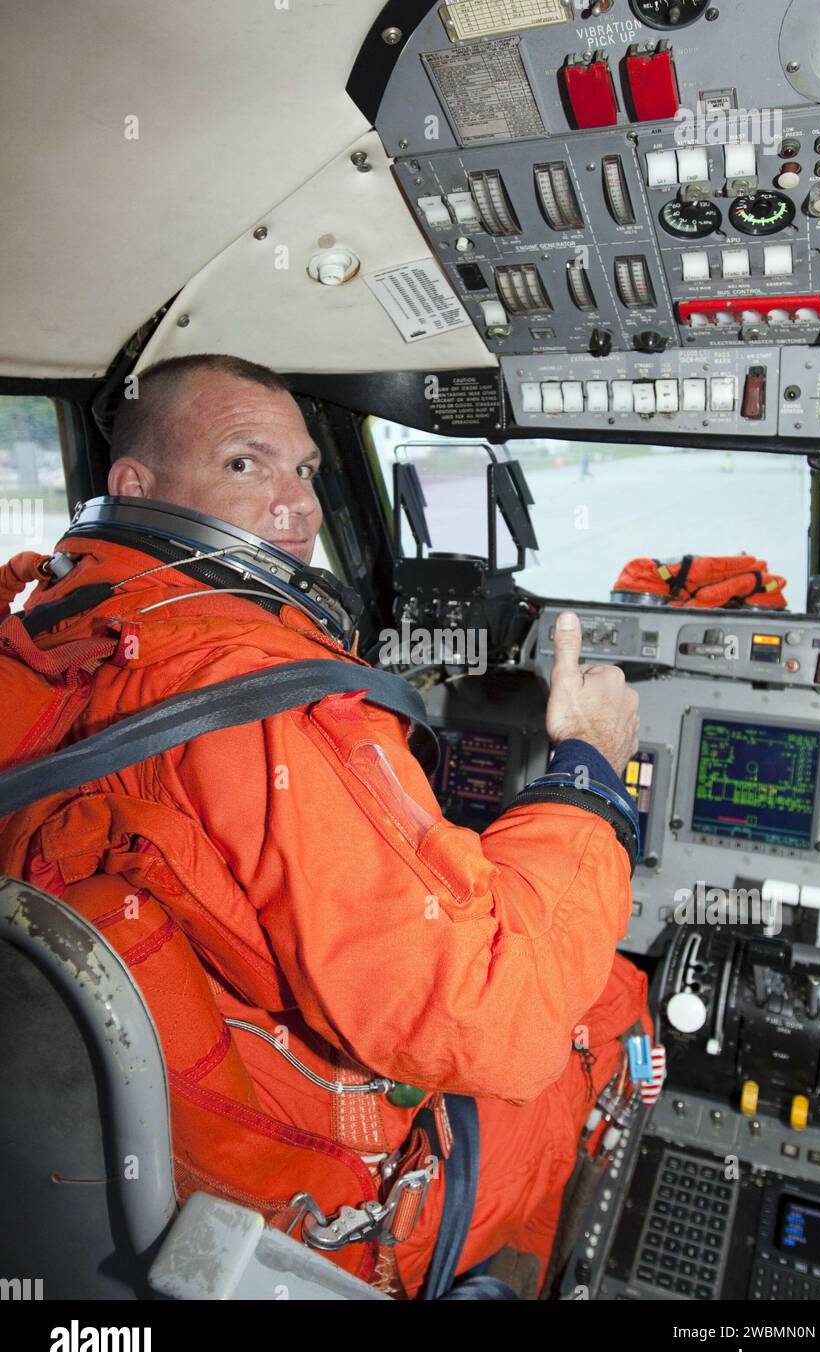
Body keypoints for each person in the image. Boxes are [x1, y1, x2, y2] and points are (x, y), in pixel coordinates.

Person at [0, 354, 648, 1299]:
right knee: (611, 1004)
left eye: (305, 470)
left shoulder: (36, 632)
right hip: (313, 1207)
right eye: (243, 464)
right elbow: (493, 1017)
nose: (299, 505)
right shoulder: (269, 707)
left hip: (105, 1168)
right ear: (133, 484)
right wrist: (589, 776)